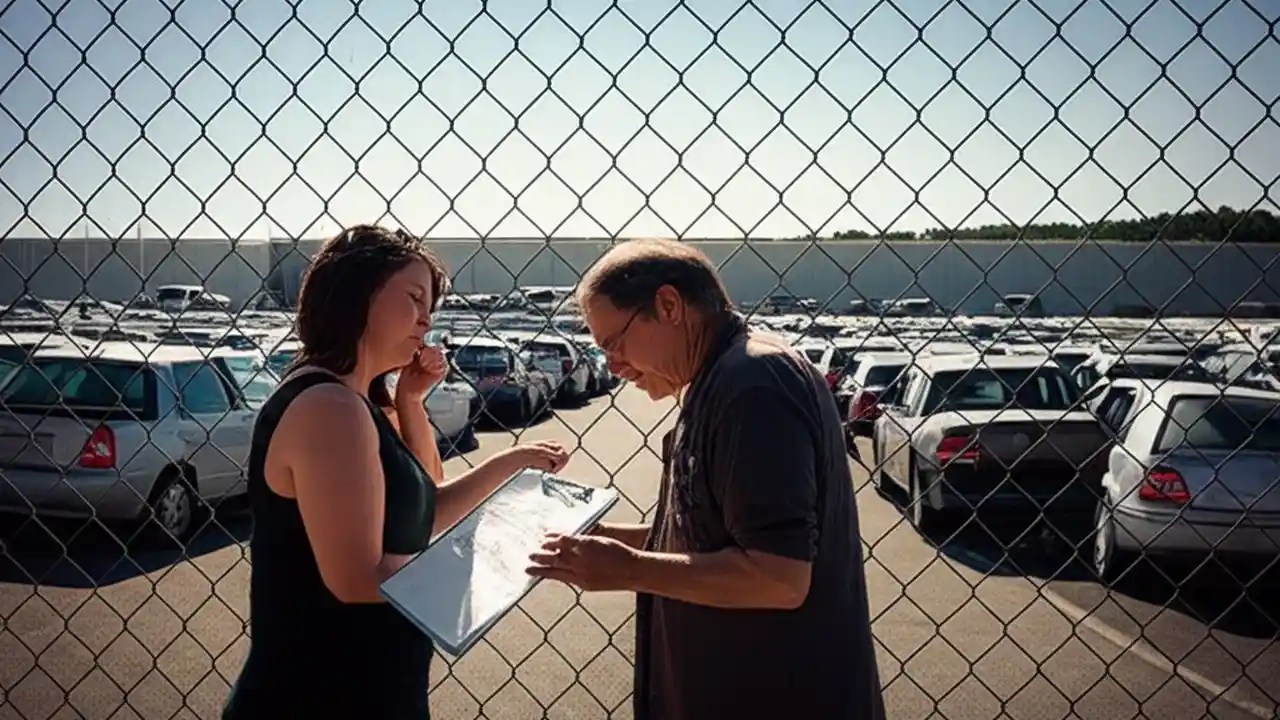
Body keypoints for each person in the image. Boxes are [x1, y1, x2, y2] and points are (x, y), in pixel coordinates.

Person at [526, 239, 885, 720]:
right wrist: (600, 539)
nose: (612, 365)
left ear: (668, 306)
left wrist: (629, 568)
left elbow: (778, 578)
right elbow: (710, 540)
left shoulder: (753, 385)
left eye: (614, 343)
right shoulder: (725, 378)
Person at [222, 225, 568, 719]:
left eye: (430, 305)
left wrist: (413, 402)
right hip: (321, 695)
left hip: (366, 689)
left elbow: (425, 508)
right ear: (357, 293)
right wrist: (490, 569)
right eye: (413, 298)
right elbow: (358, 579)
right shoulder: (331, 408)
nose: (427, 319)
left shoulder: (358, 401)